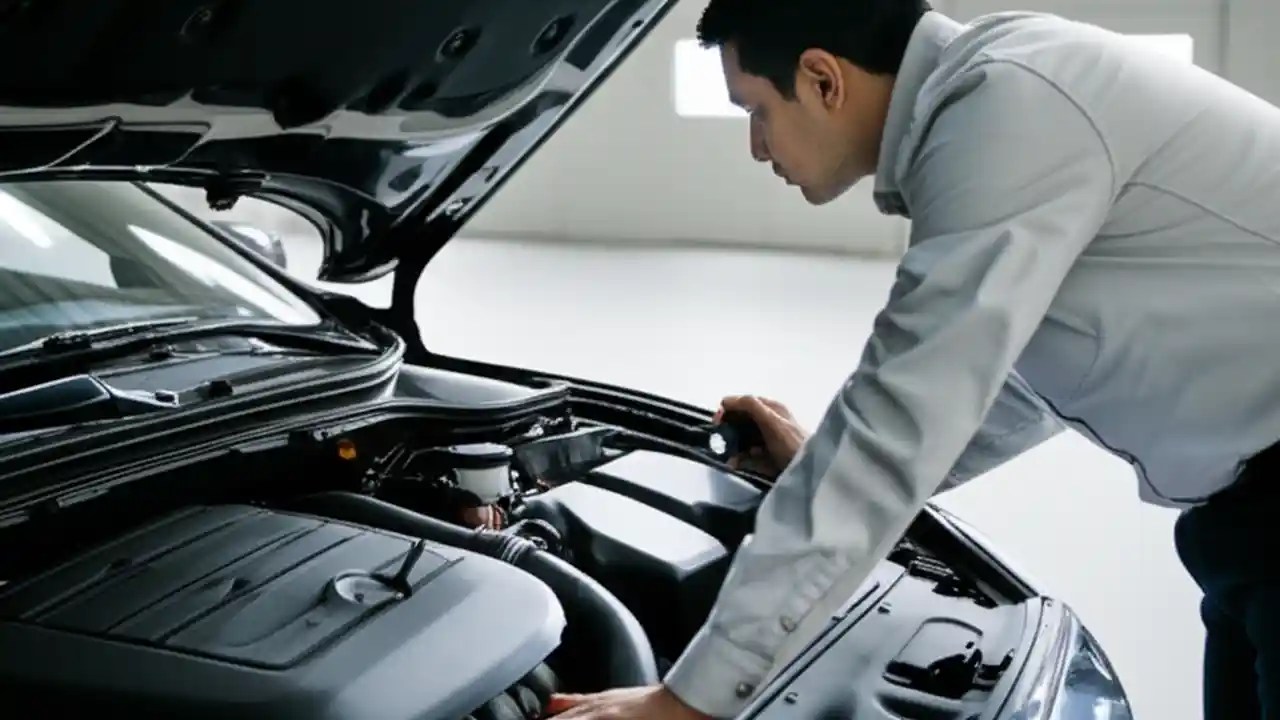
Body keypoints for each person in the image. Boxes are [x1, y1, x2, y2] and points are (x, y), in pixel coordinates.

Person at [548, 0, 1280, 717]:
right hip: (1244, 530)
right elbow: (1015, 375)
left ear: (823, 79)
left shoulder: (1007, 107)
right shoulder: (1009, 83)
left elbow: (901, 410)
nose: (757, 148)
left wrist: (690, 699)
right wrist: (822, 468)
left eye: (755, 112)